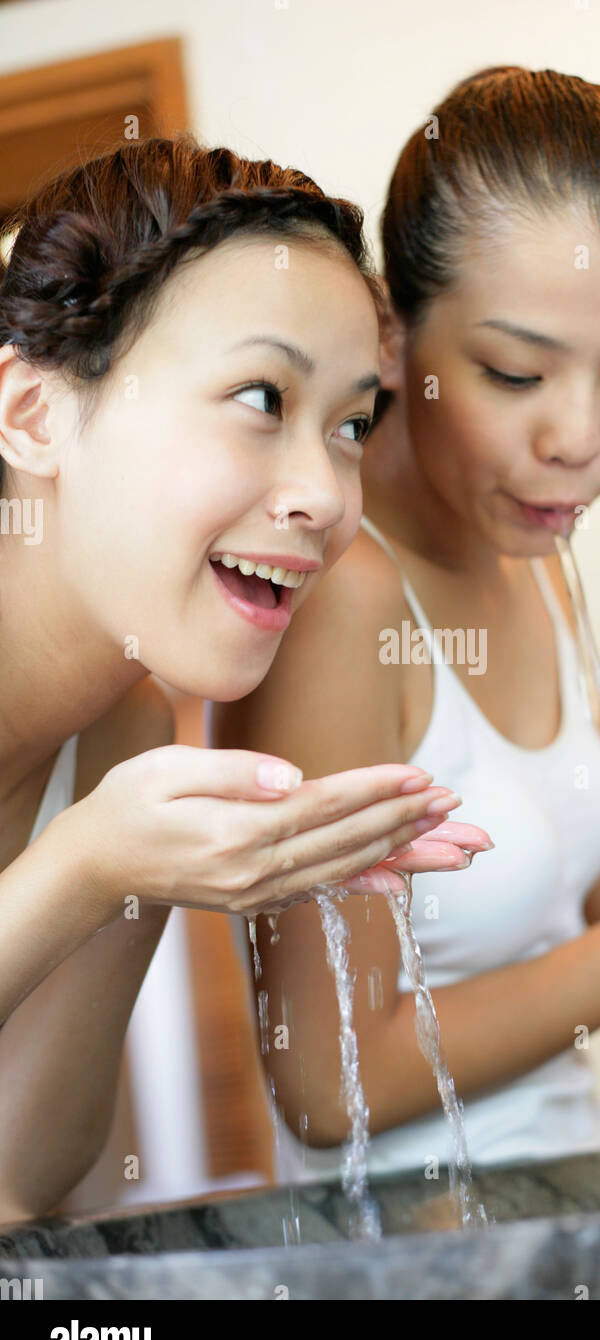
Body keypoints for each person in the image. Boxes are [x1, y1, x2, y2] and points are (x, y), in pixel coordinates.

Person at [215, 66, 600, 1183]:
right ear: (391, 335)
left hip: (557, 1204)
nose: (579, 438)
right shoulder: (345, 597)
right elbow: (326, 1085)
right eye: (515, 371)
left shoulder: (529, 548)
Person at [0, 132, 489, 1222]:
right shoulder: (106, 815)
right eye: (262, 398)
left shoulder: (124, 735)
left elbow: (15, 1180)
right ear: (34, 414)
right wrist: (88, 866)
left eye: (353, 423)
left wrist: (133, 871)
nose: (324, 495)